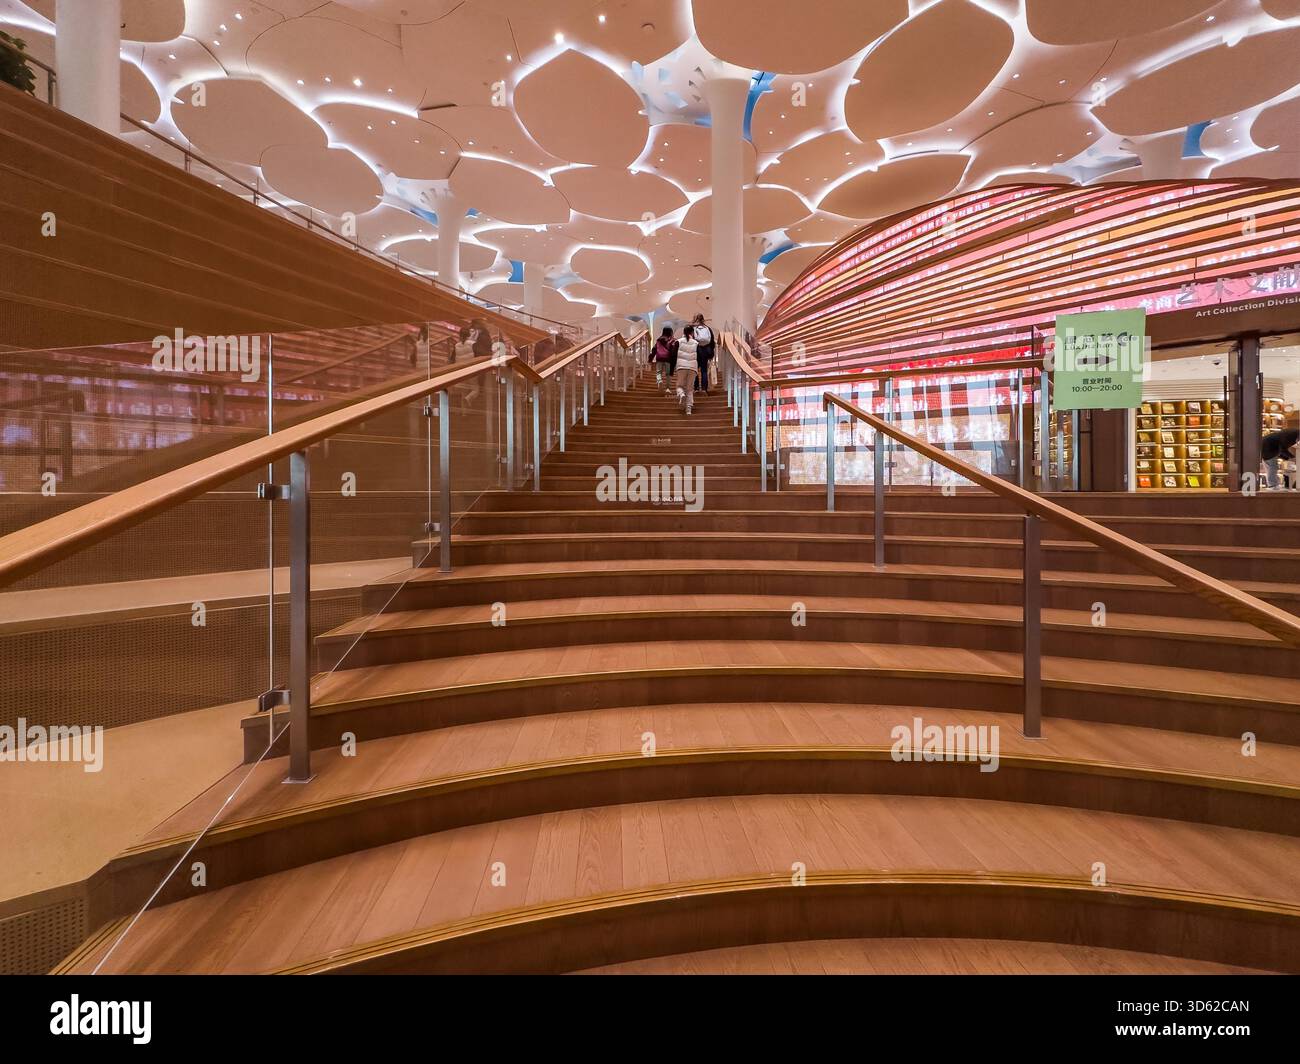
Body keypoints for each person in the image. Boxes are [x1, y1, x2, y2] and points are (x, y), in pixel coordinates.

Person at [1262, 420, 1299, 489]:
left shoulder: (1293, 433)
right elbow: (1282, 448)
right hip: (1268, 447)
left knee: (1271, 466)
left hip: (1268, 446)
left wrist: (1288, 458)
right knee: (1273, 466)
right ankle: (1273, 485)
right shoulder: (1292, 435)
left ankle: (1273, 485)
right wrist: (1291, 457)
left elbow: (1281, 449)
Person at [675, 325, 699, 415]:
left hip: (681, 367)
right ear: (692, 332)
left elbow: (673, 355)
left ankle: (681, 394)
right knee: (689, 389)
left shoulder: (678, 342)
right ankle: (688, 410)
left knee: (679, 386)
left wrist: (673, 368)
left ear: (683, 332)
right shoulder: (696, 343)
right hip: (692, 368)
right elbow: (699, 356)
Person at [692, 313, 715, 396]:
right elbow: (712, 342)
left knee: (695, 370)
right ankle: (704, 389)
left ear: (696, 319)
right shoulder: (708, 328)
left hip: (696, 350)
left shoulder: (693, 328)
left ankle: (696, 388)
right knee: (704, 370)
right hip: (705, 351)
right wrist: (711, 353)